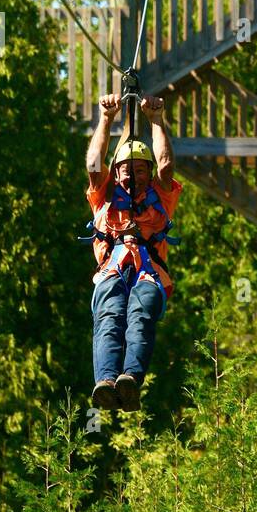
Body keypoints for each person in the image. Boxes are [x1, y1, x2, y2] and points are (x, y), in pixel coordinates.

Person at [85, 94, 182, 413]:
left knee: (140, 317)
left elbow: (166, 164)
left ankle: (129, 381)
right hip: (111, 271)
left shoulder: (160, 197)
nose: (133, 176)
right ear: (116, 173)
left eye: (141, 171)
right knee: (110, 317)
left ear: (148, 173)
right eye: (126, 170)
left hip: (149, 273)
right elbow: (93, 164)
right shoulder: (104, 197)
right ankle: (106, 382)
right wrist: (105, 119)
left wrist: (156, 120)